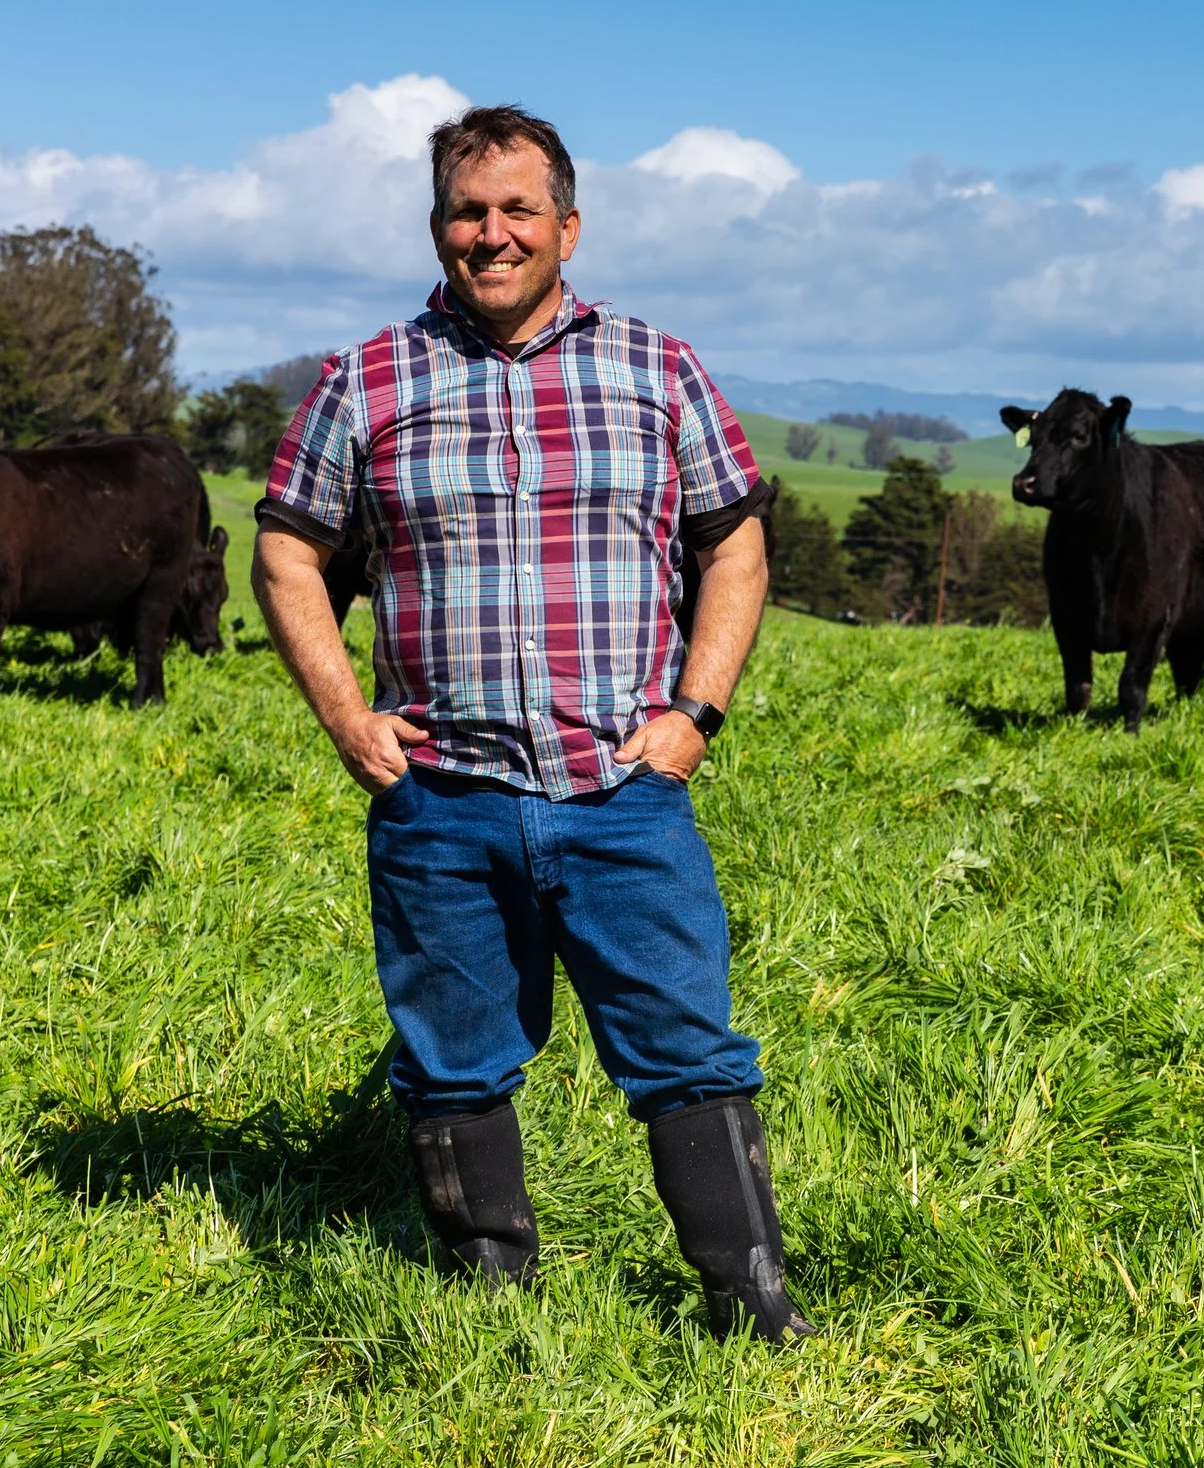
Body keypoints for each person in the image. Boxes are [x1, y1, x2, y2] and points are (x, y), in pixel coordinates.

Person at [251, 105, 809, 1343]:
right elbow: (286, 546)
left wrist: (694, 714)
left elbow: (736, 543)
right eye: (467, 209)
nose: (491, 234)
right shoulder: (366, 381)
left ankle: (751, 1309)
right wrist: (349, 718)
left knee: (687, 1048)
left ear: (567, 226)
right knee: (452, 1059)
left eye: (517, 210)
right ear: (436, 225)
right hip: (440, 798)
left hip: (623, 791)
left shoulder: (659, 369)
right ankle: (491, 1313)